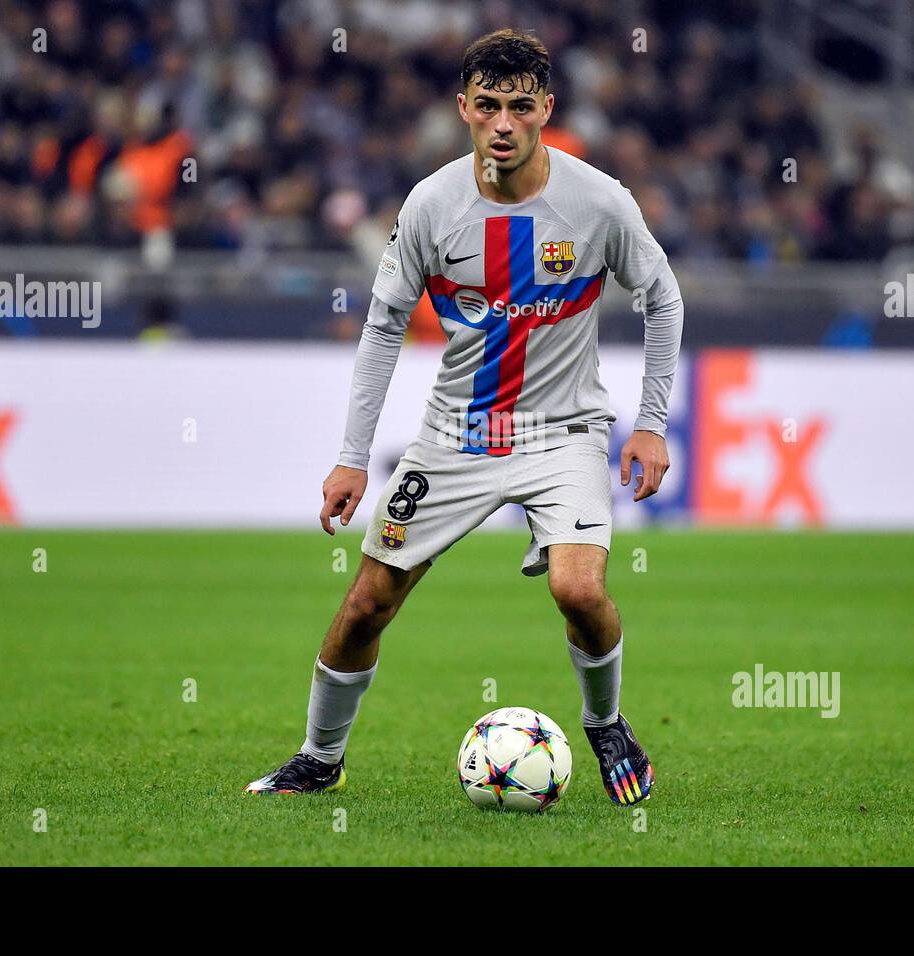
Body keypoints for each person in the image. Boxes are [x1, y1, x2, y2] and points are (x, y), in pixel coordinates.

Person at [246, 29, 683, 806]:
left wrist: (649, 424)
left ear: (547, 108)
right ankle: (319, 757)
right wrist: (352, 456)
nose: (504, 123)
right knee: (366, 603)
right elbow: (382, 325)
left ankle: (605, 720)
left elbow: (664, 298)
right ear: (464, 110)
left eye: (521, 106)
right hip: (456, 437)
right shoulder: (432, 204)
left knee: (579, 593)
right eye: (489, 106)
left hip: (564, 433)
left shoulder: (598, 200)